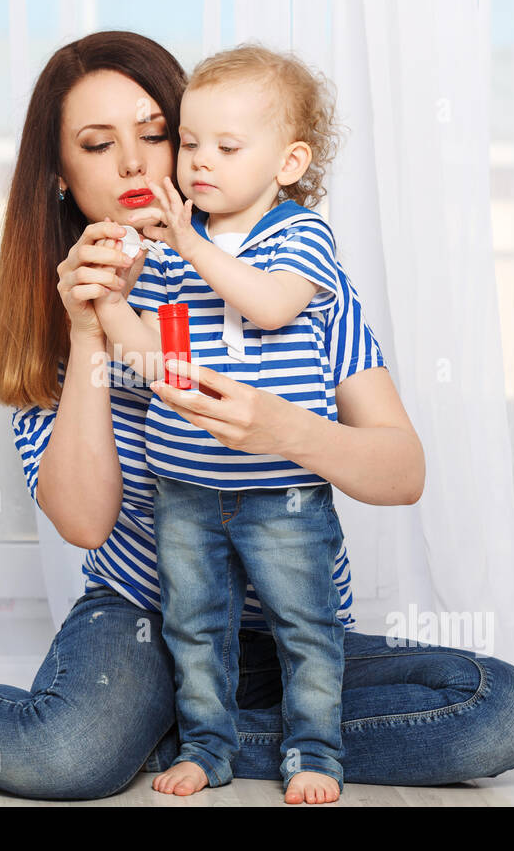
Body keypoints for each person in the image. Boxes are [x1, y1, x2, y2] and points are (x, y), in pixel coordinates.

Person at [0, 30, 514, 803]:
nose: (139, 165)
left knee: (500, 711)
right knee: (65, 757)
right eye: (100, 147)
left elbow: (402, 473)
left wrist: (285, 431)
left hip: (292, 625)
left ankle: (162, 740)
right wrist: (89, 328)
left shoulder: (292, 279)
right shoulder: (71, 312)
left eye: (158, 134)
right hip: (144, 616)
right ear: (64, 179)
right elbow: (84, 519)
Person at [92, 44, 364, 802]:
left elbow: (270, 305)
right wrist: (114, 303)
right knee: (194, 628)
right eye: (188, 143)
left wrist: (189, 243)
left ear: (288, 162)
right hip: (183, 489)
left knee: (305, 629)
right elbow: (162, 369)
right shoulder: (177, 260)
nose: (198, 162)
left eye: (227, 147)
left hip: (284, 494)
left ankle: (314, 752)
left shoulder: (299, 234)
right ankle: (207, 748)